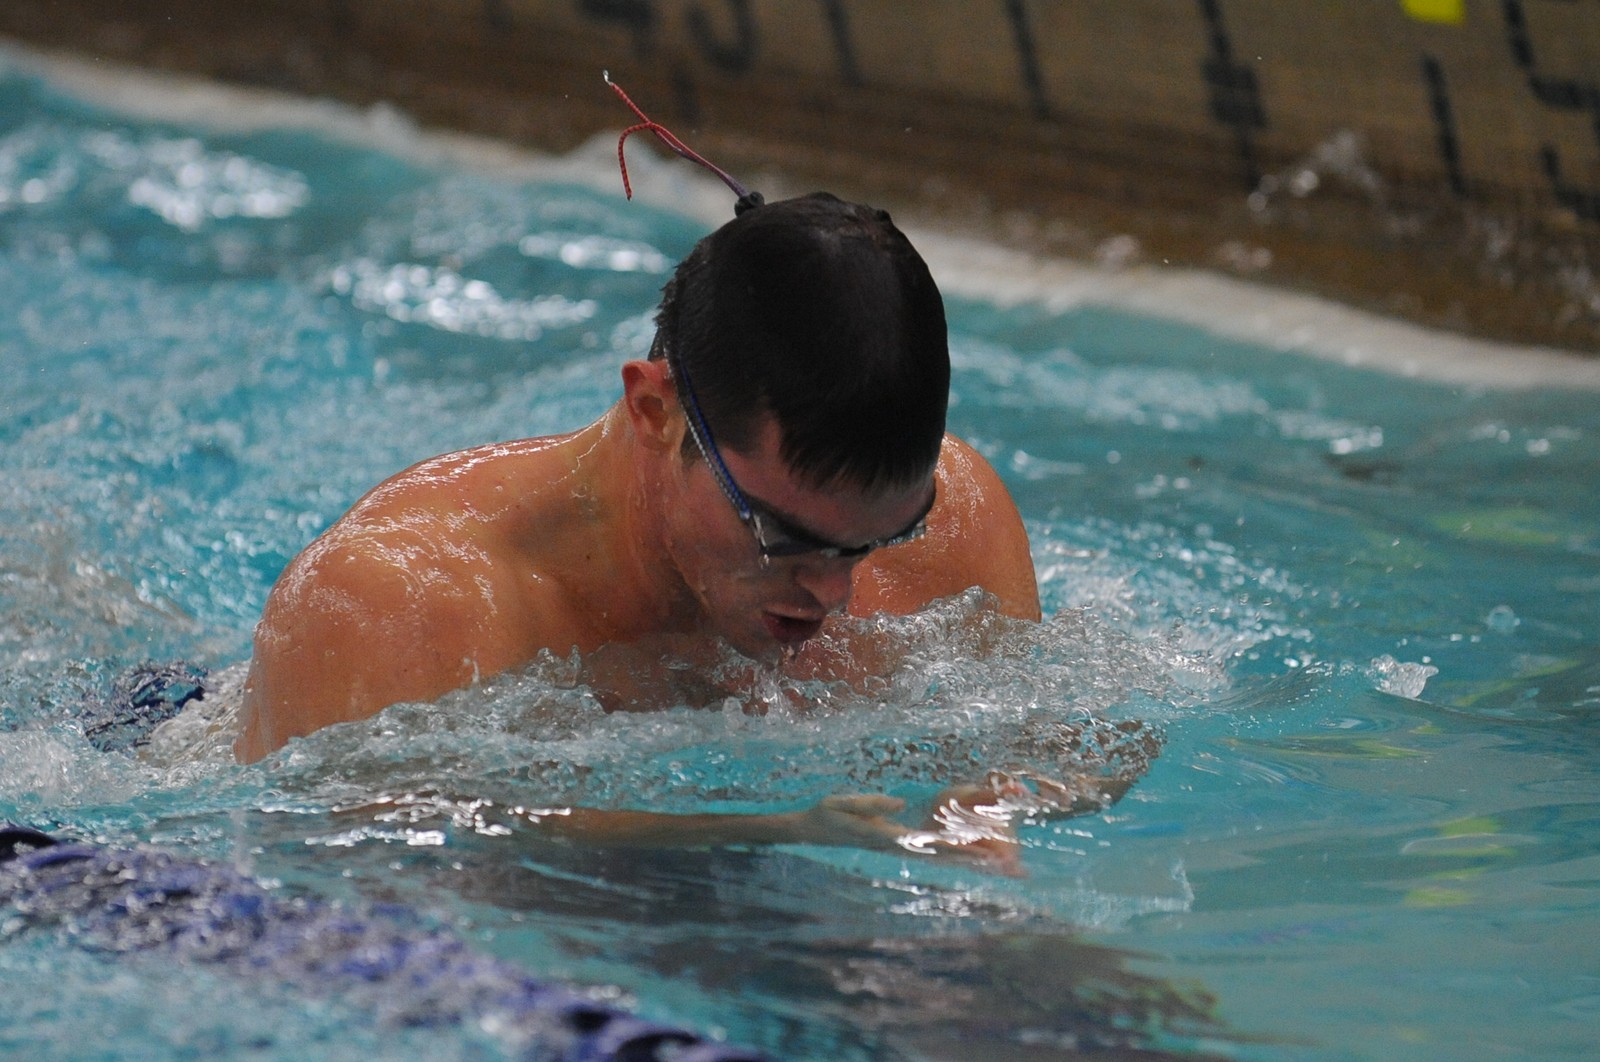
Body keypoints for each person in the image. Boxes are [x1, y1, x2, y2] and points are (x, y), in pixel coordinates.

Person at [234, 190, 1070, 870]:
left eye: (879, 537)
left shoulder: (953, 521)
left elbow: (1073, 739)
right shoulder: (400, 604)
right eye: (784, 534)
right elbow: (373, 910)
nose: (836, 593)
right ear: (655, 412)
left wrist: (992, 798)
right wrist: (761, 829)